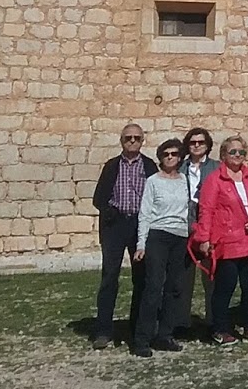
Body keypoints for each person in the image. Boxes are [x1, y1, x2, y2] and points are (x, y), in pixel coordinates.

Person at [192, 136, 248, 345]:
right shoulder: (214, 180)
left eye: (241, 152)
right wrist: (203, 237)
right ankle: (220, 328)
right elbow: (206, 210)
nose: (237, 156)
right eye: (233, 152)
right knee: (224, 288)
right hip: (227, 242)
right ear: (223, 155)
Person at [89, 123, 157, 349]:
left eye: (137, 138)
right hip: (115, 225)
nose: (132, 141)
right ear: (121, 140)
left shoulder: (148, 166)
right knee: (109, 277)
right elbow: (99, 197)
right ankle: (103, 330)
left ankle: (137, 327)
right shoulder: (111, 166)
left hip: (140, 224)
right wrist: (110, 212)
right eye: (128, 138)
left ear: (142, 141)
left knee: (142, 277)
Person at [131, 137, 192, 357]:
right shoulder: (153, 181)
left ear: (180, 157)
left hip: (180, 237)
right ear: (160, 157)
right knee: (153, 287)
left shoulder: (184, 179)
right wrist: (141, 244)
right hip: (158, 235)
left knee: (175, 288)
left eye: (174, 154)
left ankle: (165, 335)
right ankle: (142, 339)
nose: (170, 158)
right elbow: (145, 213)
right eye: (166, 154)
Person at [178, 126, 219, 333]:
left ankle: (214, 319)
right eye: (192, 142)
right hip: (184, 224)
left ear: (207, 145)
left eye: (200, 142)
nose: (196, 146)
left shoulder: (216, 167)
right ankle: (182, 321)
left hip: (209, 225)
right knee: (183, 277)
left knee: (211, 274)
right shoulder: (180, 168)